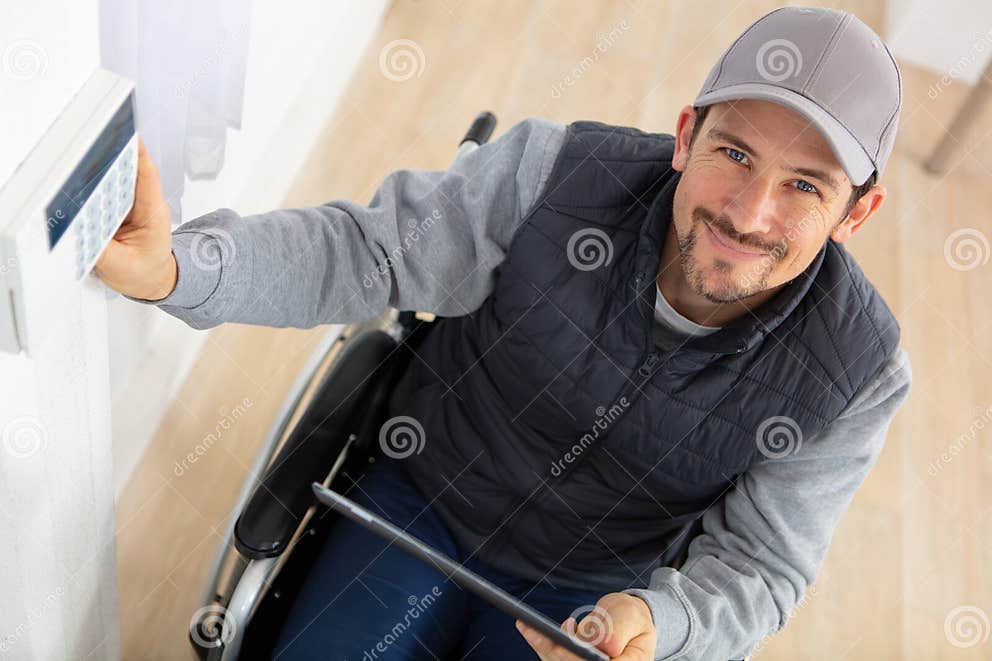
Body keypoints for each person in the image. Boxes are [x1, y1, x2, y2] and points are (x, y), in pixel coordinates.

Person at [97, 6, 911, 660]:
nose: (749, 212)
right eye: (734, 152)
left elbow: (762, 567)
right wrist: (179, 266)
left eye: (805, 184)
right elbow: (364, 253)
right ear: (685, 135)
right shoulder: (551, 178)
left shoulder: (857, 371)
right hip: (424, 499)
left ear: (856, 213)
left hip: (591, 590)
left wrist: (659, 623)